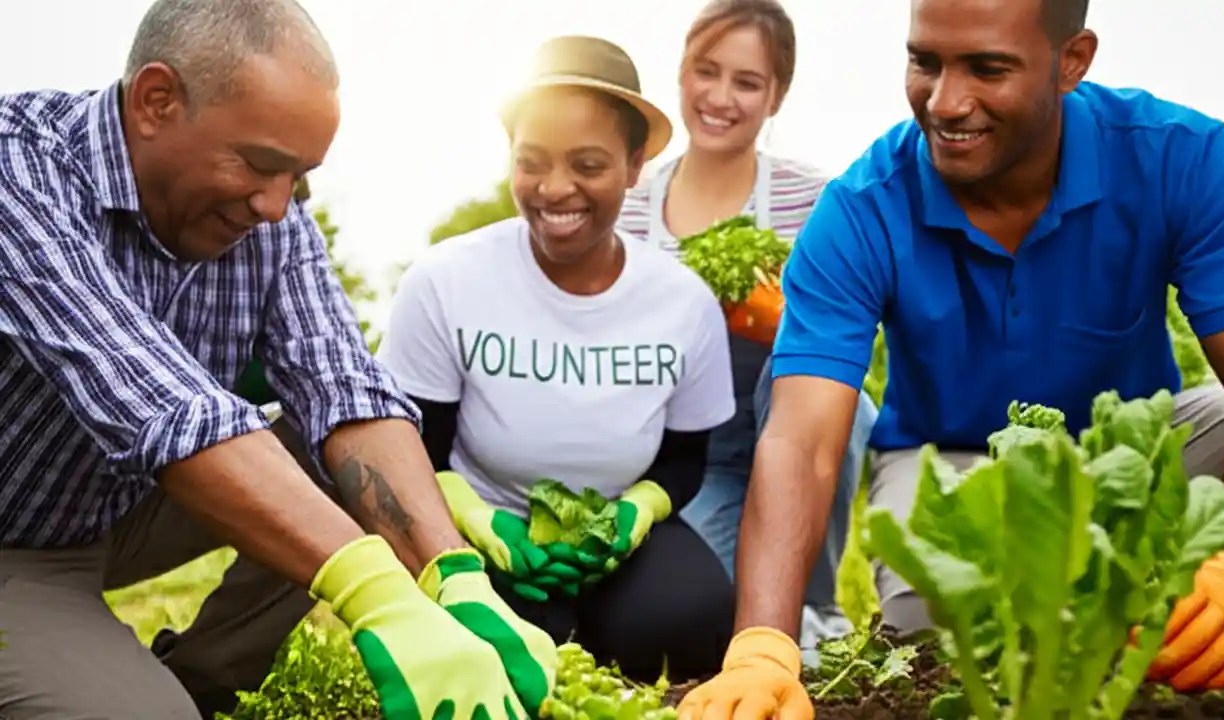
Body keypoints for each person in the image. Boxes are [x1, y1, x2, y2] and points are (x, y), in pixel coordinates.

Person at [677, 0, 1224, 716]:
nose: (945, 101)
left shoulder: (1178, 157)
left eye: (988, 69)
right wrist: (762, 645)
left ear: (1073, 61)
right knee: (937, 636)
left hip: (1132, 457)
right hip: (948, 464)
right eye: (925, 61)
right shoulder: (865, 205)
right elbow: (802, 437)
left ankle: (1163, 602)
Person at [0, 1, 558, 719]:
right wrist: (376, 593)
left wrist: (454, 577)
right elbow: (157, 402)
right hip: (15, 541)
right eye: (260, 164)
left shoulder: (273, 218)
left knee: (325, 448)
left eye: (298, 177)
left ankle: (201, 682)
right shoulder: (20, 166)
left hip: (104, 514)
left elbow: (346, 387)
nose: (275, 207)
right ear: (156, 101)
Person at [375, 35, 739, 684]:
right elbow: (417, 449)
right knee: (502, 646)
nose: (555, 188)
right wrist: (483, 524)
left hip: (613, 540)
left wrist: (633, 516)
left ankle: (603, 622)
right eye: (532, 162)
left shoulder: (682, 302)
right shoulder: (445, 281)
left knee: (695, 617)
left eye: (589, 165)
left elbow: (685, 460)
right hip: (485, 532)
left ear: (635, 167)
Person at [615, 0, 878, 655]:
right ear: (681, 74)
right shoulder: (629, 204)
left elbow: (846, 329)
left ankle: (816, 606)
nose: (721, 98)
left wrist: (767, 314)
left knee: (830, 388)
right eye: (707, 72)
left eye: (747, 82)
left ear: (776, 97)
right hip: (690, 455)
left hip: (787, 422)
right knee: (711, 607)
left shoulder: (816, 201)